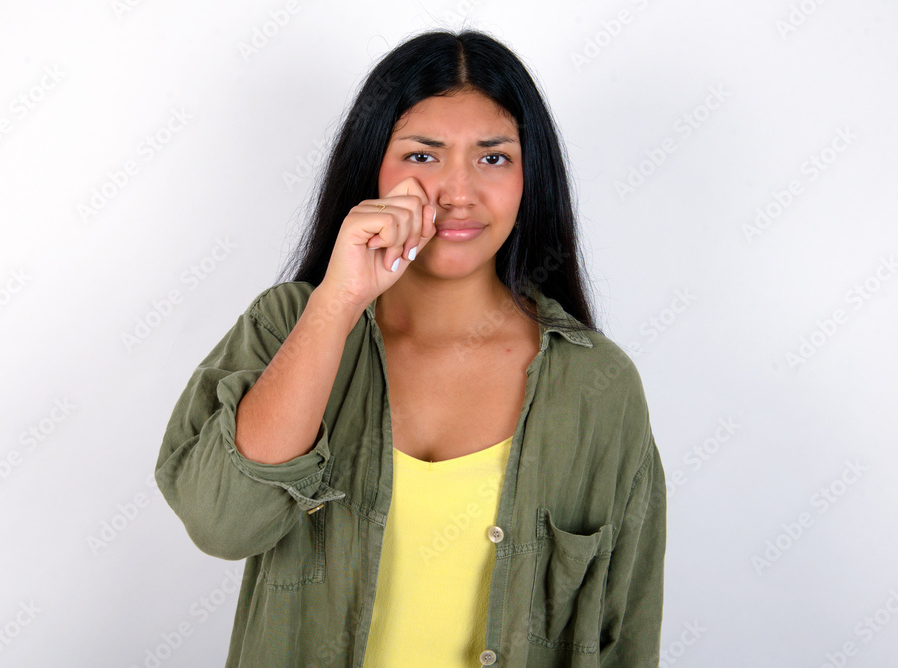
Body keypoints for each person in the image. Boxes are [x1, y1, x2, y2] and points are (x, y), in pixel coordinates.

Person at [155, 28, 665, 668]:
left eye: (493, 158)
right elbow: (222, 524)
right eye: (423, 156)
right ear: (373, 167)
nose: (458, 191)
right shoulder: (287, 326)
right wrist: (337, 301)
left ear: (530, 179)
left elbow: (625, 633)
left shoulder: (597, 386)